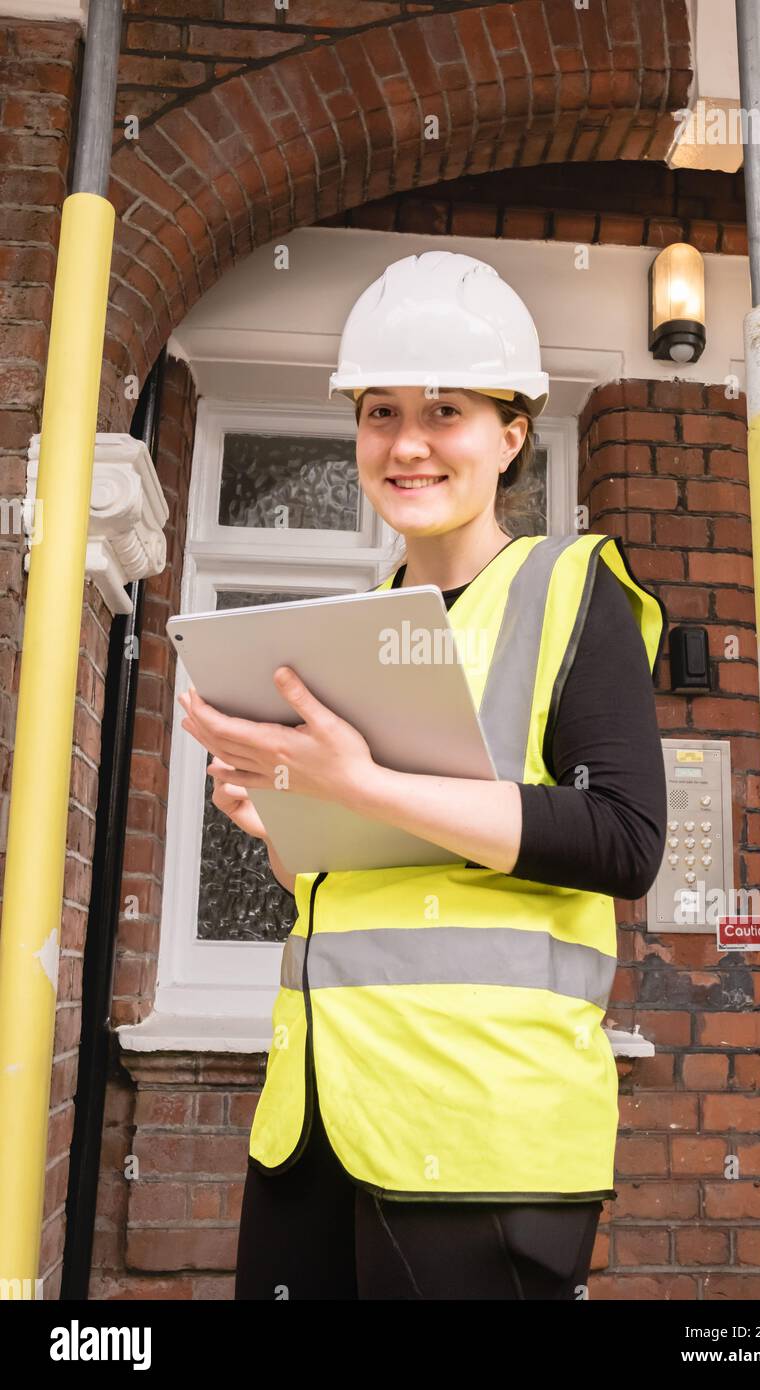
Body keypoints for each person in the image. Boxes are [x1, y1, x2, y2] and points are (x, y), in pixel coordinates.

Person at [178, 251, 668, 1299]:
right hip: (312, 1127)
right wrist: (282, 826)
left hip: (480, 1136)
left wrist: (356, 785)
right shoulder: (352, 630)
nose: (405, 443)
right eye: (379, 411)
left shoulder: (565, 589)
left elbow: (624, 839)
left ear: (509, 432)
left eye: (443, 410)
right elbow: (369, 894)